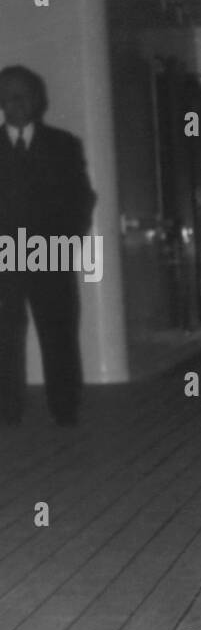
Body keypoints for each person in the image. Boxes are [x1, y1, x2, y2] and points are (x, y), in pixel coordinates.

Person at [0, 65, 95, 428]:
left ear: (39, 100)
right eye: (9, 94)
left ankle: (65, 408)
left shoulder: (62, 144)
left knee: (58, 333)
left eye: (24, 93)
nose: (17, 101)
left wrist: (67, 244)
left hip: (50, 255)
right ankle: (7, 411)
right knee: (4, 337)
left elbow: (81, 199)